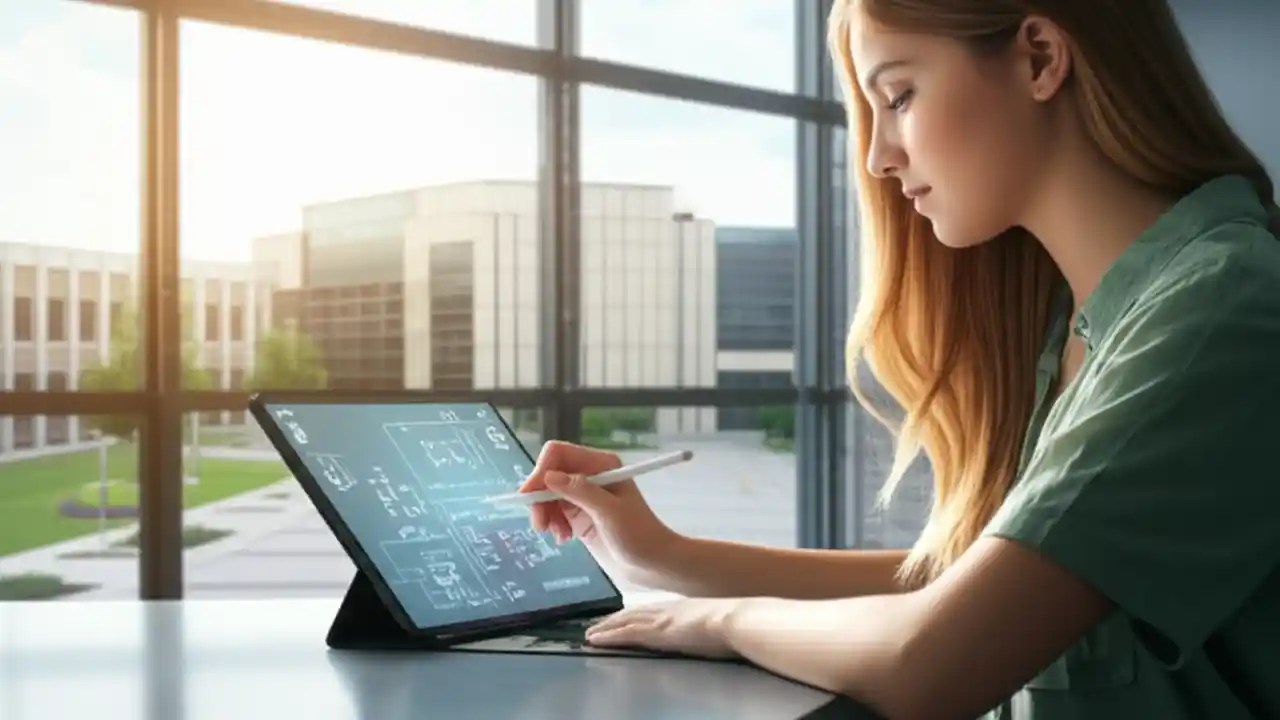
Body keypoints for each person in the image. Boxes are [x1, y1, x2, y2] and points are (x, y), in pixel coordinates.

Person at [517, 1, 1280, 717]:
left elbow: (934, 657)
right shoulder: (1081, 326)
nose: (879, 156)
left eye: (900, 95)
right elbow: (964, 581)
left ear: (1041, 59)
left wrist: (721, 620)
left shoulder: (1223, 307)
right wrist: (664, 555)